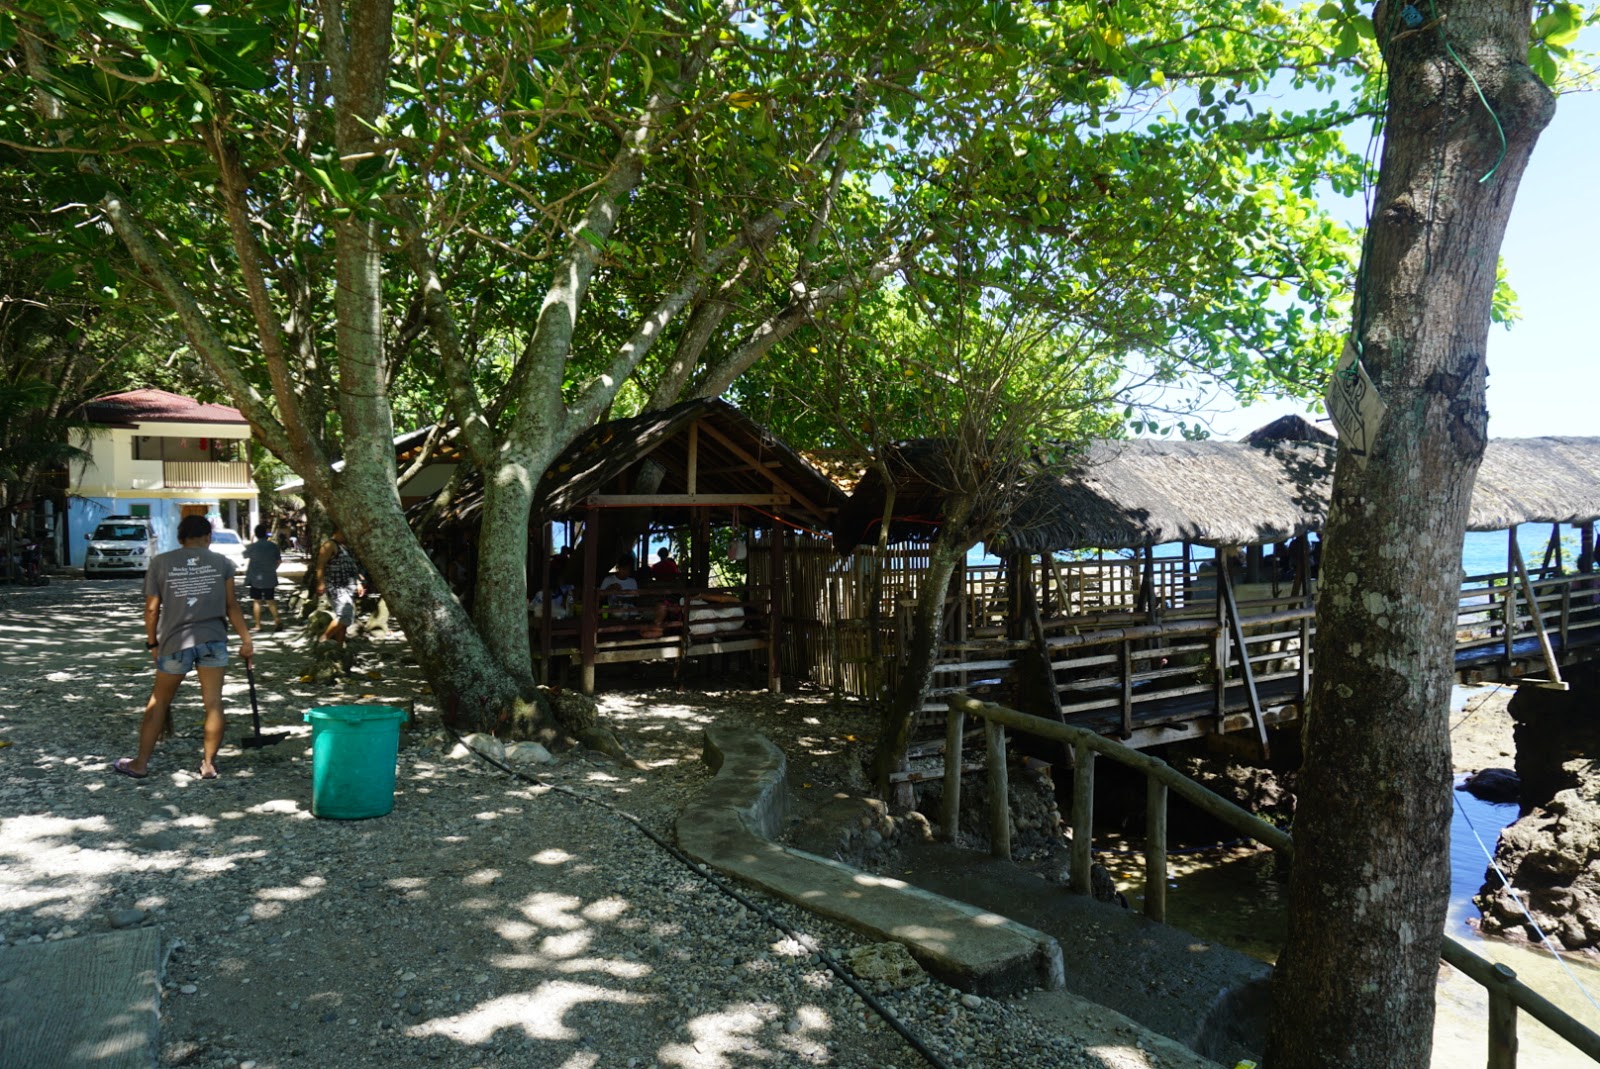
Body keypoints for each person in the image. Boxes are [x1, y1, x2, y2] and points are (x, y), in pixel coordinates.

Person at [113, 514, 254, 781]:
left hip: (175, 642)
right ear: (208, 537)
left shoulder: (160, 563)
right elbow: (232, 605)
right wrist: (246, 640)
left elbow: (151, 608)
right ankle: (209, 765)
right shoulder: (223, 563)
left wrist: (152, 642)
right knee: (213, 703)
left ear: (180, 538)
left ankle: (140, 764)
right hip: (213, 640)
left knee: (160, 700)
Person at [315, 529, 365, 645]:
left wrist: (358, 583)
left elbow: (353, 568)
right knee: (345, 614)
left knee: (344, 618)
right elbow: (320, 565)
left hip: (348, 587)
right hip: (336, 586)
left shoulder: (346, 547)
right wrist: (320, 583)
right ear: (338, 531)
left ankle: (339, 645)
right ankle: (323, 639)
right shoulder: (329, 545)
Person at [243, 523, 283, 630]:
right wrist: (273, 569)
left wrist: (251, 542)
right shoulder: (273, 546)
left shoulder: (252, 547)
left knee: (257, 601)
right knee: (270, 599)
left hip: (255, 578)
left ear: (256, 534)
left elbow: (244, 555)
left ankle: (258, 625)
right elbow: (279, 561)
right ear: (265, 533)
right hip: (269, 577)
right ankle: (277, 620)